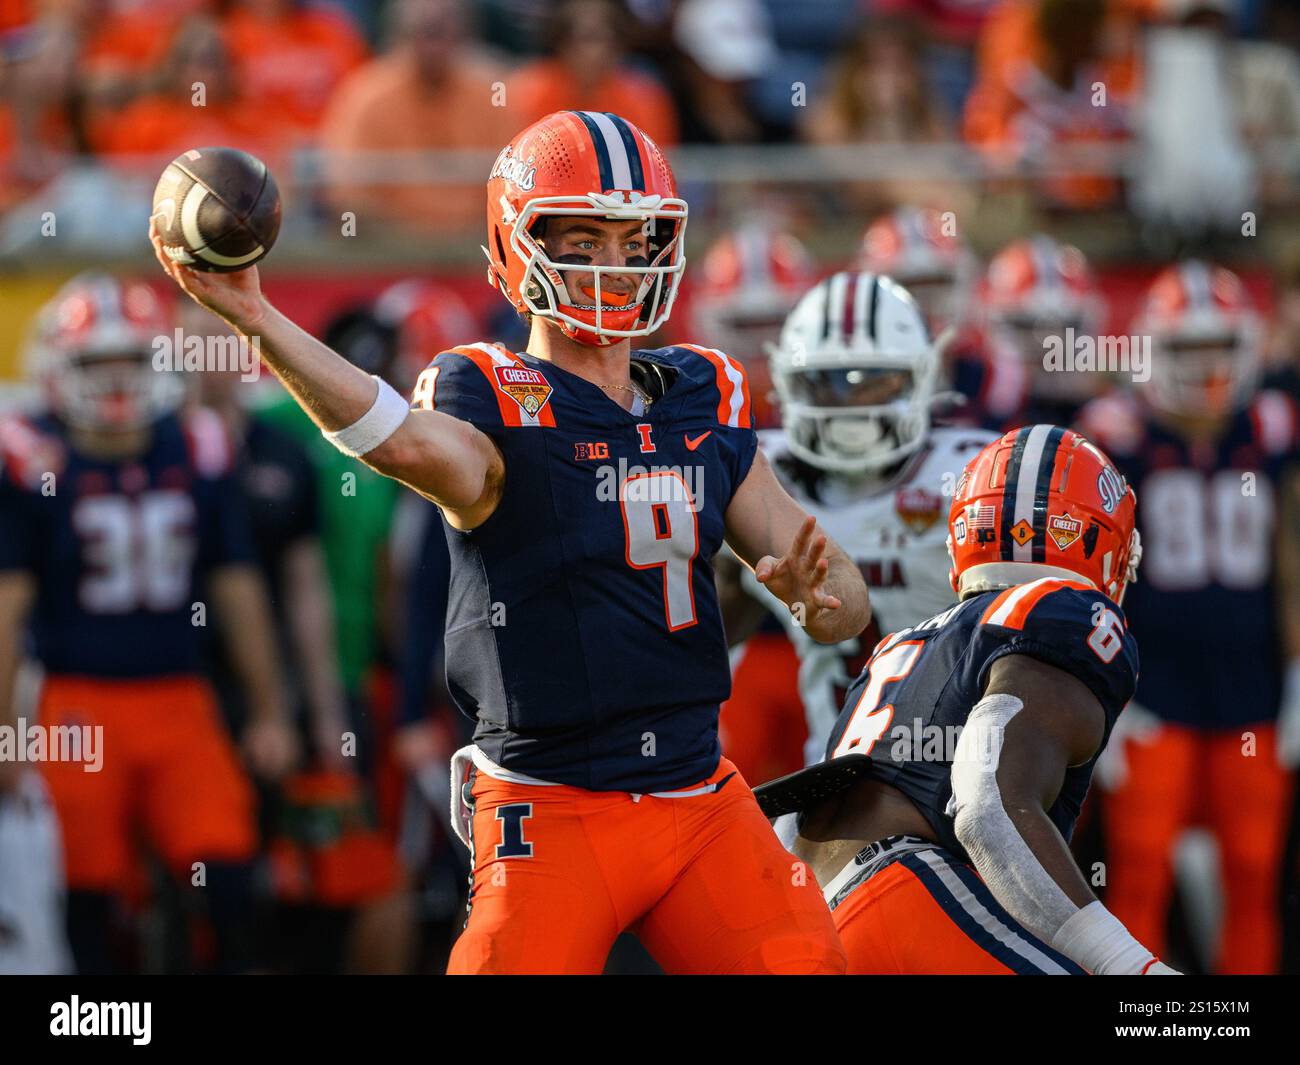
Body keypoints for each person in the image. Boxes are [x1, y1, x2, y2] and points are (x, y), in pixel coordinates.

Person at [151, 109, 870, 975]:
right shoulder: (493, 393)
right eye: (581, 238)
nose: (613, 264)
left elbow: (837, 604)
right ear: (514, 245)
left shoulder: (701, 391)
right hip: (554, 803)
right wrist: (255, 317)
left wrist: (818, 599)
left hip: (701, 796)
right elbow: (404, 441)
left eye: (633, 240)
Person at [755, 423, 1178, 975]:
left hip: (811, 919)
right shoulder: (1067, 614)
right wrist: (1128, 965)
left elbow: (806, 809)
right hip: (907, 901)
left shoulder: (902, 643)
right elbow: (987, 806)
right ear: (1106, 546)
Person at [0, 274, 296, 973]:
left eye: (130, 361)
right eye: (94, 365)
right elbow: (6, 609)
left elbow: (237, 589)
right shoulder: (31, 458)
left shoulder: (196, 446)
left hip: (179, 697)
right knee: (85, 891)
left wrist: (268, 709)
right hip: (75, 702)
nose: (114, 382)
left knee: (226, 868)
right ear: (58, 371)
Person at [1079, 260, 1300, 974]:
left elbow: (1292, 548)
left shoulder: (1272, 425)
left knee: (1254, 872)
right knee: (1137, 872)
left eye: (1217, 345)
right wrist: (1099, 685)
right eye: (1186, 347)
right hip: (1151, 690)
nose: (1206, 365)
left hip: (1255, 687)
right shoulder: (1116, 433)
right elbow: (1084, 572)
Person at [719, 272, 996, 769]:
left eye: (874, 381)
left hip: (970, 771)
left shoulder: (978, 475)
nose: (850, 405)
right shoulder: (761, 475)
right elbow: (702, 634)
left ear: (923, 375)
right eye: (826, 383)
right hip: (835, 775)